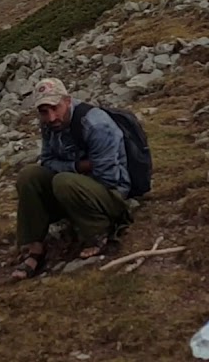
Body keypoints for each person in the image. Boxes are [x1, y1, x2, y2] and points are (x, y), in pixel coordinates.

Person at [10, 77, 132, 280]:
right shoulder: (50, 124)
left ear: (67, 101)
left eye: (55, 108)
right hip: (73, 188)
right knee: (29, 176)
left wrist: (69, 176)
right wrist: (78, 166)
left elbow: (108, 178)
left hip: (111, 194)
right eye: (43, 111)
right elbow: (47, 161)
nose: (50, 117)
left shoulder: (96, 125)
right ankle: (35, 248)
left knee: (63, 181)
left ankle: (97, 232)